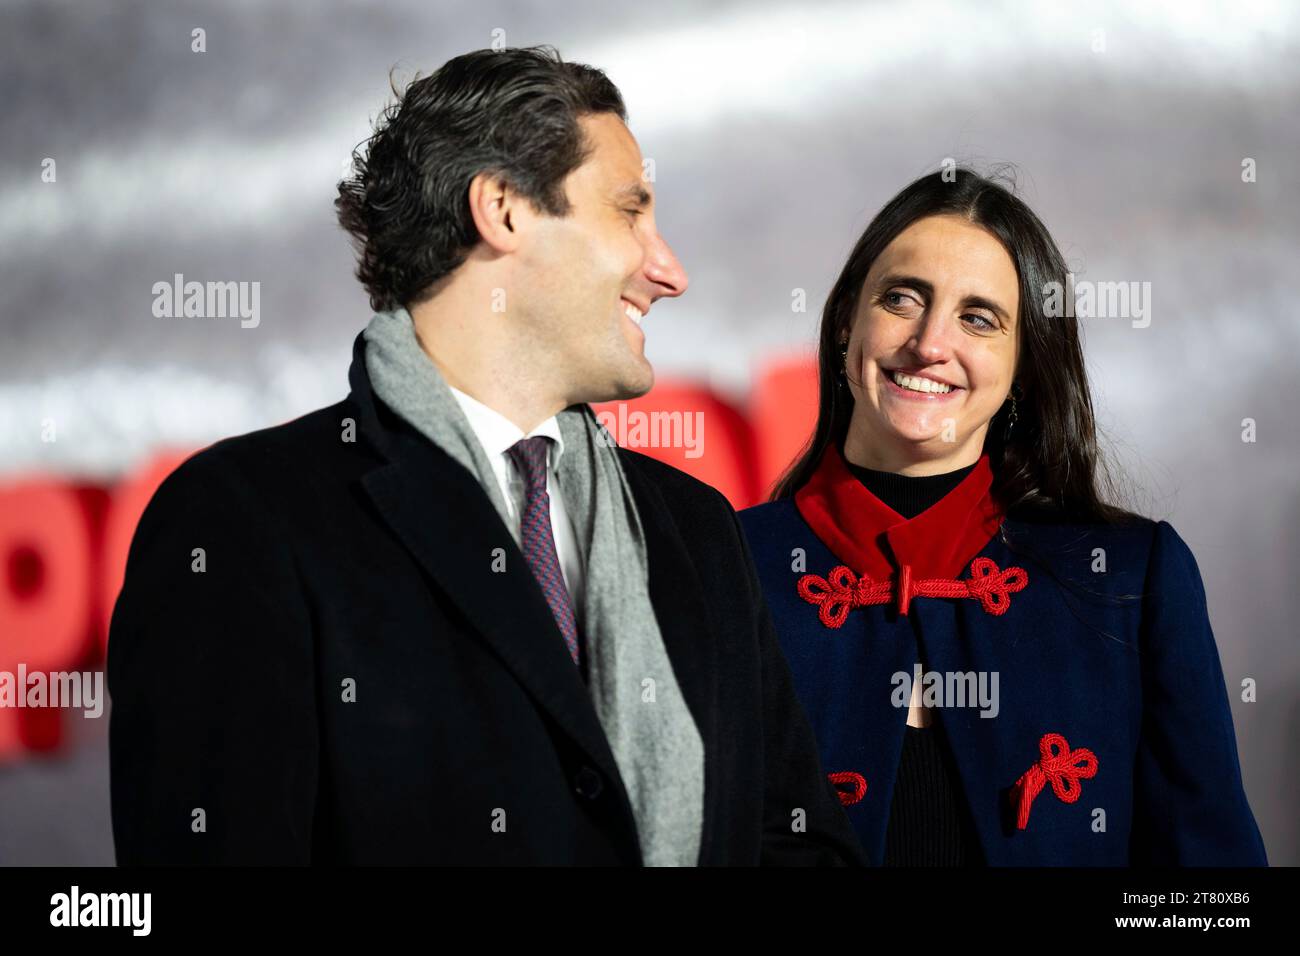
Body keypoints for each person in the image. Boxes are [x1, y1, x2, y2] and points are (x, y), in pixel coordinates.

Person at [107, 46, 863, 866]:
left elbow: (800, 845)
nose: (668, 270)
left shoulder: (696, 532)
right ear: (503, 209)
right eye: (629, 211)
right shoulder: (241, 521)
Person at [738, 167, 1269, 866]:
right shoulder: (718, 563)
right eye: (901, 298)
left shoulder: (1133, 582)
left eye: (979, 319)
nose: (930, 343)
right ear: (846, 321)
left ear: (1022, 365)